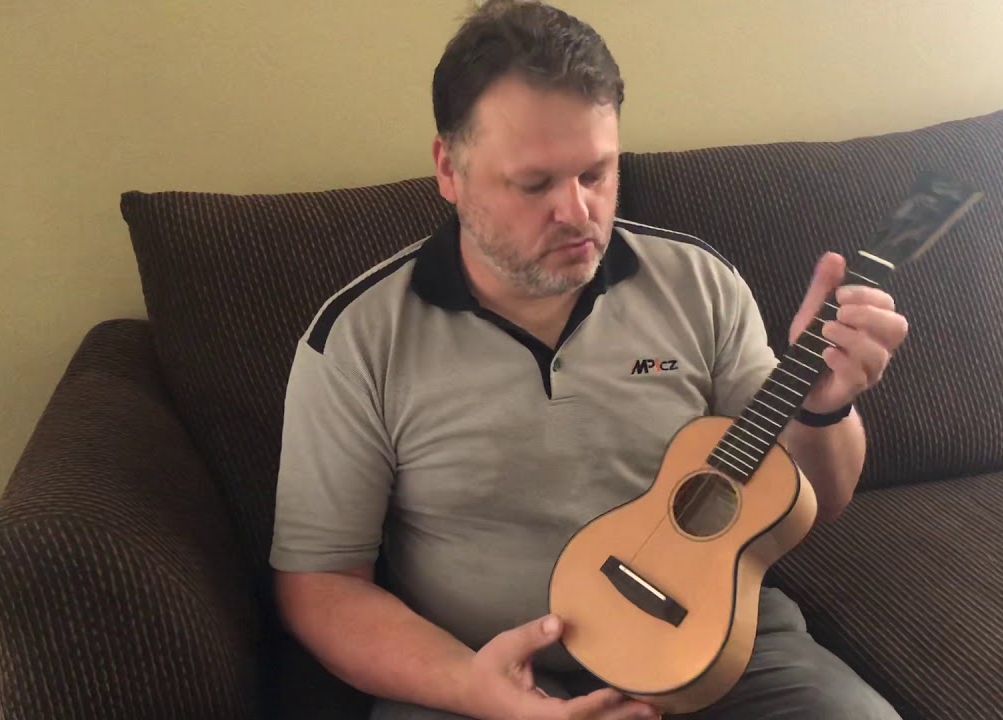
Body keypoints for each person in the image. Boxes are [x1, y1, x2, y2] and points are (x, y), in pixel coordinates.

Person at [269, 1, 908, 718]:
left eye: (597, 174)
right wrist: (473, 687)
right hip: (479, 669)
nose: (577, 213)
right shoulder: (358, 340)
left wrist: (823, 410)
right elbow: (320, 584)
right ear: (450, 169)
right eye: (534, 183)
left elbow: (809, 500)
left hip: (713, 642)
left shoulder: (699, 284)